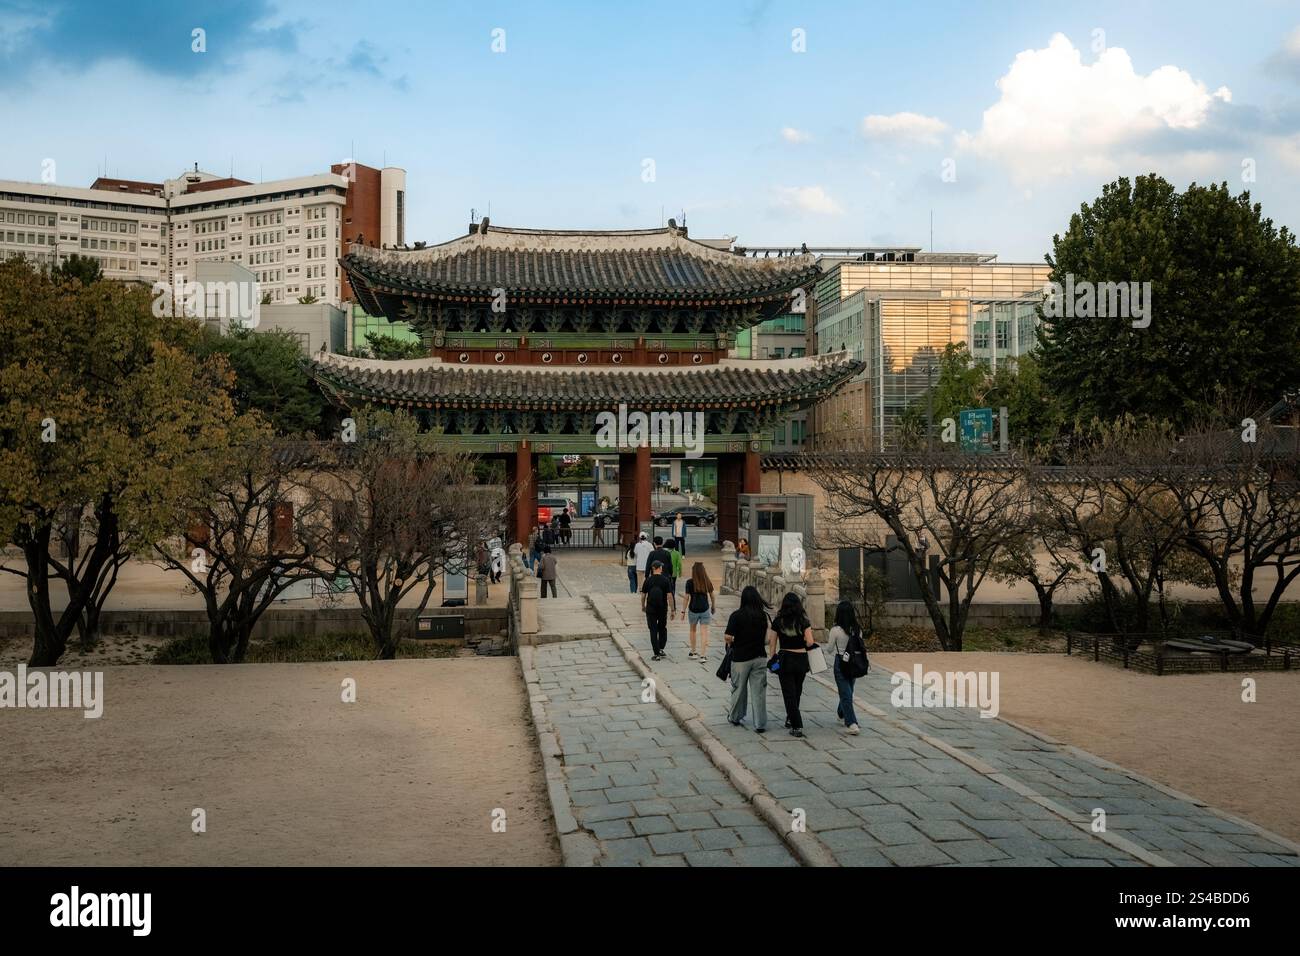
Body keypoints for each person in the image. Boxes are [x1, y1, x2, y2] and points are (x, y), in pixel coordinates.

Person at [768, 591, 816, 737]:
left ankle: (796, 725)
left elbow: (772, 642)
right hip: (801, 658)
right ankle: (791, 717)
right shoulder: (803, 620)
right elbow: (810, 642)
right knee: (797, 690)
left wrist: (773, 657)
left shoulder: (778, 621)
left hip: (785, 657)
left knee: (788, 693)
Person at [724, 585, 770, 732]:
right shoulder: (763, 616)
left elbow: (728, 637)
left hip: (740, 658)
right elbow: (767, 640)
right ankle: (760, 723)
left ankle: (736, 716)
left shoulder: (736, 615)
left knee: (739, 689)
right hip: (759, 657)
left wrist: (734, 641)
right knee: (759, 692)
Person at [827, 600, 863, 734]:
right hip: (854, 663)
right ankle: (842, 713)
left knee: (846, 693)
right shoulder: (858, 629)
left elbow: (829, 649)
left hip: (840, 662)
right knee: (848, 690)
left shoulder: (835, 630)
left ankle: (851, 723)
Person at [641, 560, 675, 661]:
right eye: (661, 566)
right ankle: (661, 648)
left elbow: (643, 595)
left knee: (653, 630)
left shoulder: (648, 580)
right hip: (662, 608)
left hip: (651, 608)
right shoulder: (665, 580)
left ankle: (656, 654)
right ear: (658, 568)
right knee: (662, 628)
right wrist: (672, 610)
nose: (662, 568)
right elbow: (669, 596)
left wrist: (643, 606)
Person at [684, 562, 715, 663]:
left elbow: (686, 597)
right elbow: (712, 595)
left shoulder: (689, 582)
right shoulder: (707, 581)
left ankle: (693, 652)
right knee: (704, 632)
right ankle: (703, 655)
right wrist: (713, 606)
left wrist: (683, 611)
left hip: (693, 609)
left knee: (692, 630)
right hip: (705, 609)